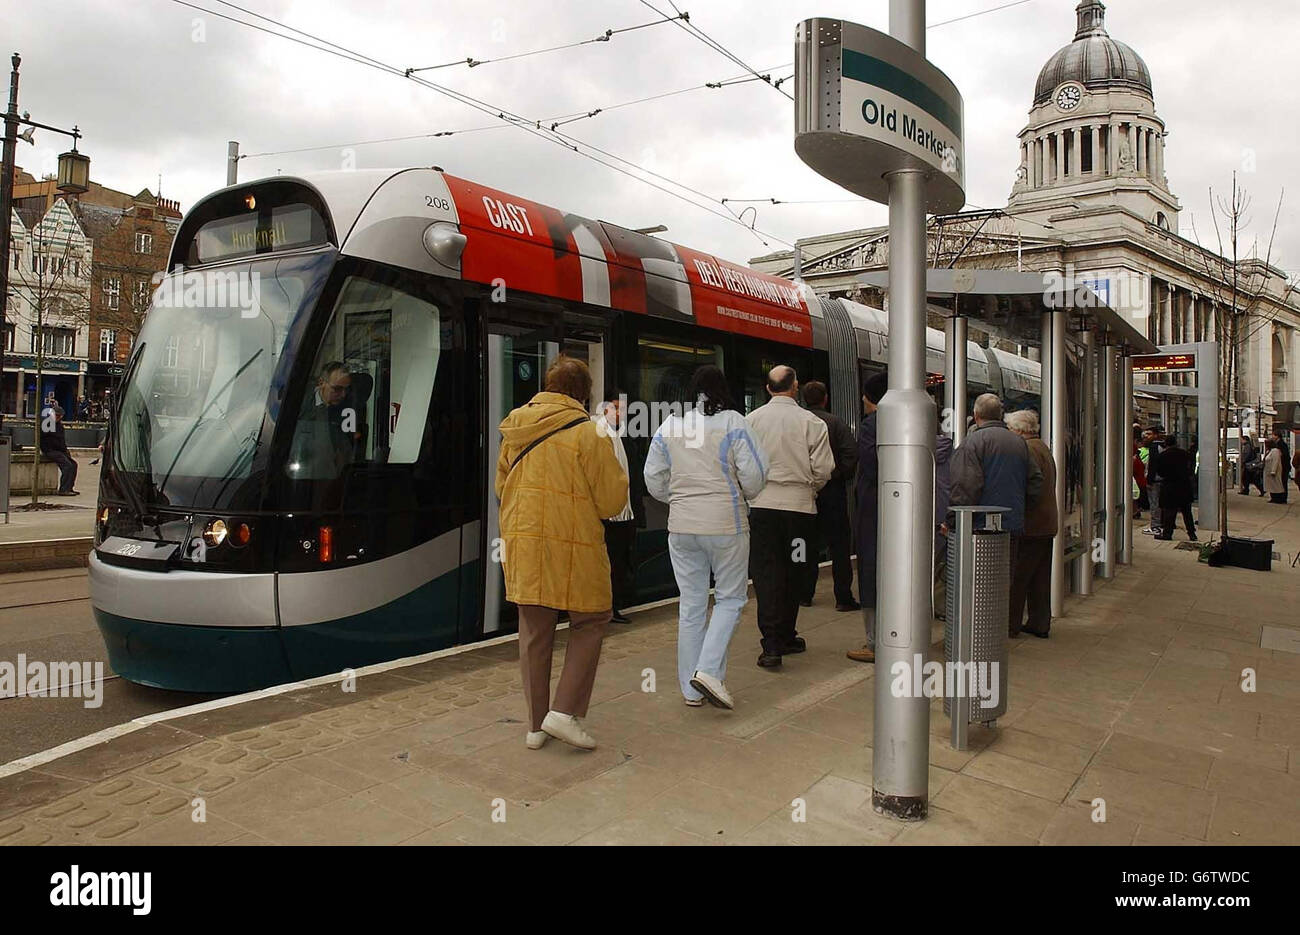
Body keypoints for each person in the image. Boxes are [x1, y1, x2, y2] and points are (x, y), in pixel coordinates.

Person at [495, 355, 628, 751]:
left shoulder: (515, 427)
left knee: (535, 631)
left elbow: (502, 487)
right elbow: (610, 502)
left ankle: (536, 726)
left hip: (523, 542)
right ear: (583, 393)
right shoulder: (590, 435)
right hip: (575, 545)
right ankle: (563, 712)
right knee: (591, 619)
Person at [644, 365, 767, 708]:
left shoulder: (670, 425)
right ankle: (709, 672)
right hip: (726, 524)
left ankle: (690, 690)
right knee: (730, 599)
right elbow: (755, 476)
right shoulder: (734, 422)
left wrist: (679, 498)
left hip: (681, 526)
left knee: (692, 604)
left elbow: (652, 478)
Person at [745, 365, 835, 668]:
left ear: (768, 388)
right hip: (799, 511)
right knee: (794, 571)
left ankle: (770, 645)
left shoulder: (751, 421)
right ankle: (786, 634)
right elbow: (823, 470)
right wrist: (809, 487)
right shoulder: (812, 422)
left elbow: (741, 467)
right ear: (795, 387)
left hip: (763, 509)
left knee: (767, 575)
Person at [949, 393, 1044, 637]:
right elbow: (1035, 483)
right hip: (1010, 525)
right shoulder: (1019, 443)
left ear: (976, 415)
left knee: (975, 581)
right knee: (1004, 578)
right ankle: (997, 628)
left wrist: (952, 521)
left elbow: (965, 486)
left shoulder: (972, 443)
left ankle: (977, 631)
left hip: (977, 526)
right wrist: (1019, 508)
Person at [798, 380, 859, 611]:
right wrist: (839, 474)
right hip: (832, 494)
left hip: (804, 493)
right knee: (839, 547)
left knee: (805, 545)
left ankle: (804, 593)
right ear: (825, 398)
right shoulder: (836, 423)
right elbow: (851, 454)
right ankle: (843, 598)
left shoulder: (798, 422)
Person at [1006, 410, 1058, 637]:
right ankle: (1039, 622)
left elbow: (1030, 486)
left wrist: (1020, 509)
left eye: (1010, 428)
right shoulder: (1043, 447)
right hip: (1047, 522)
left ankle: (1010, 625)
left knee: (1018, 577)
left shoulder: (1027, 450)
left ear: (1018, 430)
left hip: (1032, 524)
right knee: (1039, 577)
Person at [847, 373, 887, 663]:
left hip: (875, 510)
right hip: (904, 510)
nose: (862, 399)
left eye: (865, 394)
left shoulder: (871, 426)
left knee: (872, 572)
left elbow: (873, 468)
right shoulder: (919, 421)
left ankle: (875, 642)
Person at [594, 391, 637, 623]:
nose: (620, 413)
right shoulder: (599, 432)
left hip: (624, 513)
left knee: (619, 562)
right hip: (611, 515)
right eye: (615, 408)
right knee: (611, 563)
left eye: (623, 409)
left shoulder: (621, 435)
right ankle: (608, 608)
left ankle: (613, 606)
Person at [1154, 434, 1197, 540]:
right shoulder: (1185, 454)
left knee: (1169, 512)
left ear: (1165, 444)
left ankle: (1167, 534)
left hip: (1170, 486)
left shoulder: (1162, 456)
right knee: (1187, 513)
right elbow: (1192, 468)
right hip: (1184, 486)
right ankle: (1192, 534)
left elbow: (1159, 471)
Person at [39, 402, 79, 496]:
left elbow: (61, 440)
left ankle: (69, 487)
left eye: (60, 416)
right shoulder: (47, 423)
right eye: (57, 416)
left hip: (59, 450)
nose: (58, 418)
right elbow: (45, 439)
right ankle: (64, 489)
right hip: (50, 450)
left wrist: (65, 451)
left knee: (74, 464)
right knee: (67, 466)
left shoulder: (59, 425)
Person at [1270, 427, 1291, 503]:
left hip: (1283, 467)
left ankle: (1282, 498)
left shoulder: (1281, 444)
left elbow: (1284, 455)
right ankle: (1278, 498)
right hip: (1282, 466)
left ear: (1277, 436)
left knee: (1282, 482)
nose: (1272, 437)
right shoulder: (1278, 444)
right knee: (1280, 482)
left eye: (1273, 435)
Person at [1263, 438, 1287, 504]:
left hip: (1274, 471)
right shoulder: (1269, 451)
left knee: (1276, 485)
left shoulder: (1275, 451)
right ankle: (1273, 498)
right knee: (1271, 485)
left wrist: (1273, 471)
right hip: (1268, 471)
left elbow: (1275, 461)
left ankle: (1278, 498)